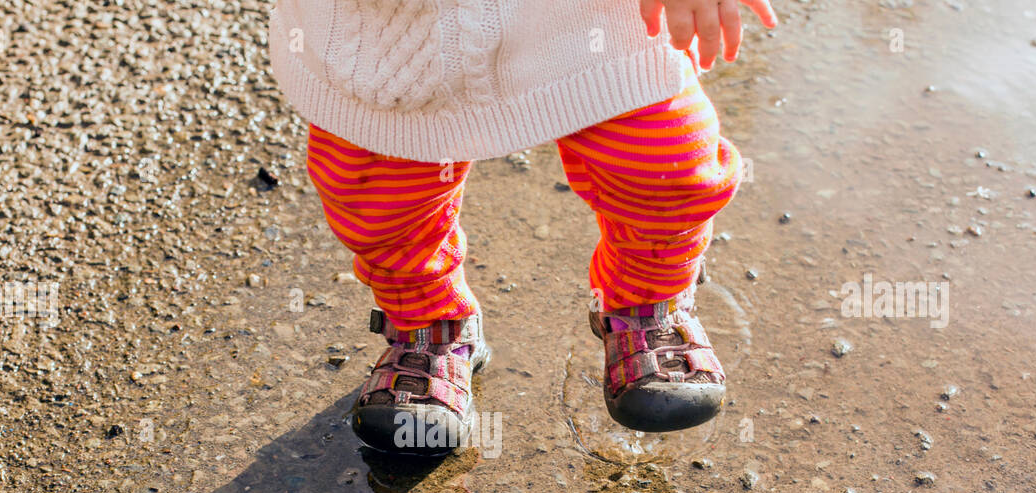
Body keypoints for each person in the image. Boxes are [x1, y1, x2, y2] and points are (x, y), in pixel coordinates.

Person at [269, 0, 778, 453]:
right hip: (387, 35)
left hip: (587, 22)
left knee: (665, 161)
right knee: (375, 193)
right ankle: (429, 322)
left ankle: (647, 301)